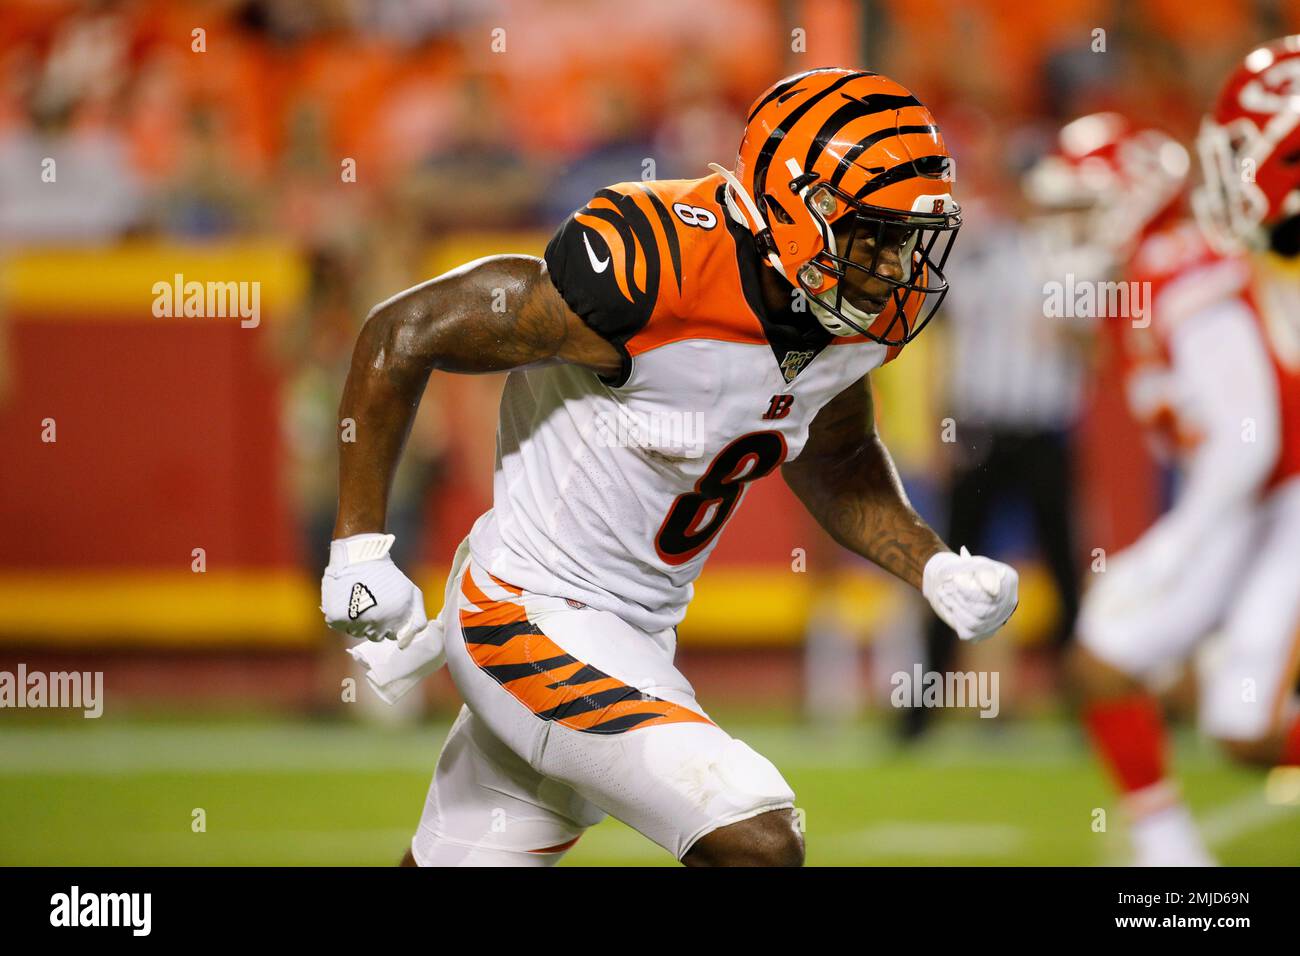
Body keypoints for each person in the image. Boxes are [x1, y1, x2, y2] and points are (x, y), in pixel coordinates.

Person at [320, 68, 1019, 867]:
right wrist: (359, 549)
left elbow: (840, 459)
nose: (896, 269)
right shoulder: (652, 265)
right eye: (876, 236)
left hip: (636, 634)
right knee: (758, 839)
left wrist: (930, 568)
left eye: (906, 241)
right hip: (527, 608)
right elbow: (401, 333)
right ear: (800, 209)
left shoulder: (845, 316)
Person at [1070, 42, 1300, 866]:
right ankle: (1170, 858)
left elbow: (1250, 437)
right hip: (1263, 498)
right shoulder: (1166, 265)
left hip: (1275, 496)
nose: (1067, 234)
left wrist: (1181, 544)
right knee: (1235, 724)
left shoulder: (1179, 264)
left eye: (1077, 210)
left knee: (1126, 659)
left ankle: (1169, 859)